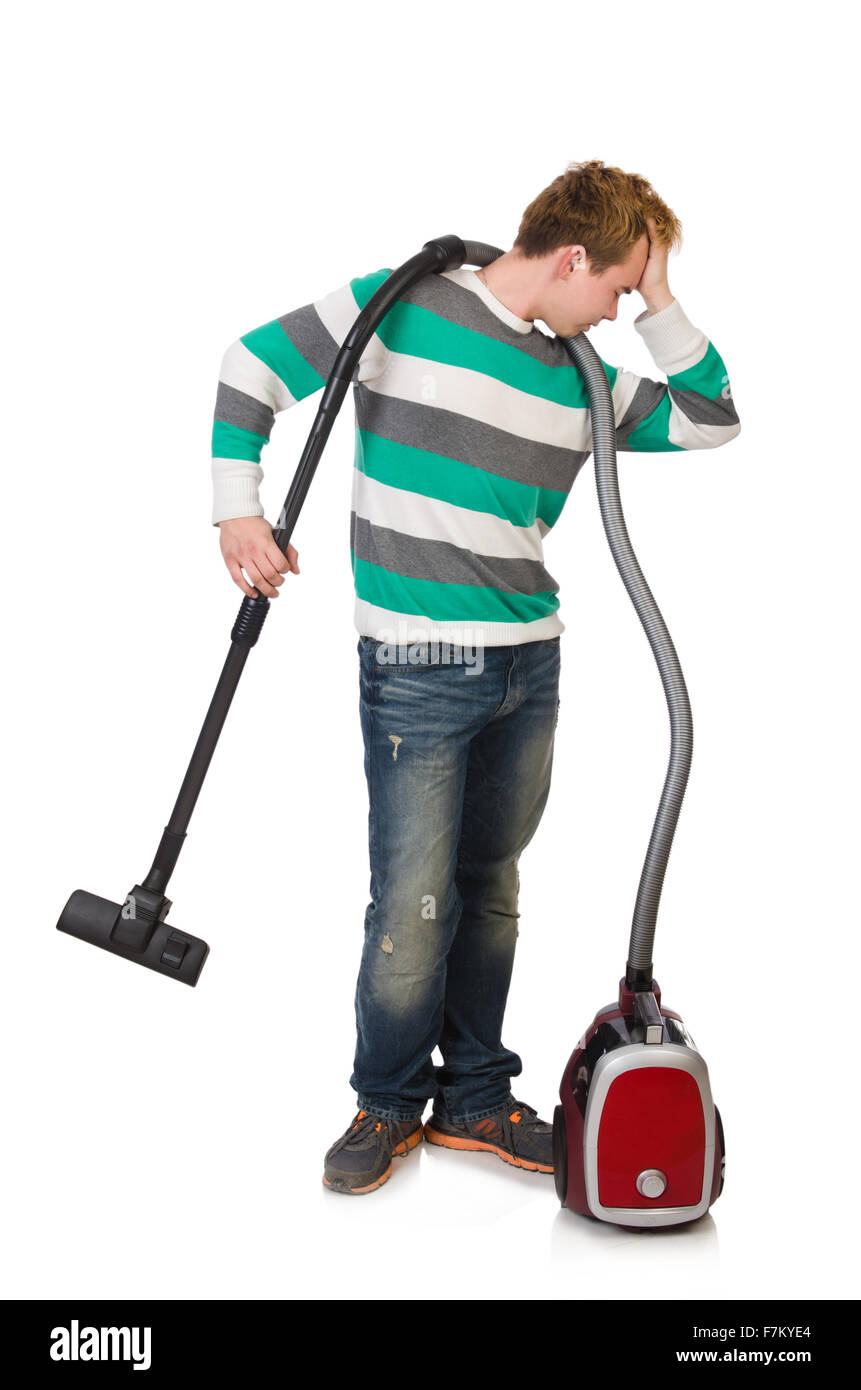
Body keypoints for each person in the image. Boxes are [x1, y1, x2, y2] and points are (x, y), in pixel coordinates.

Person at [210, 159, 741, 1196]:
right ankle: (386, 1099)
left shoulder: (584, 374)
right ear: (574, 256)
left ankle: (475, 1099)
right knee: (412, 901)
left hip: (528, 666)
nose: (622, 308)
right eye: (623, 286)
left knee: (492, 891)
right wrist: (238, 507)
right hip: (416, 664)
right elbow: (251, 365)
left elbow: (713, 416)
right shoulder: (405, 303)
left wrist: (667, 292)